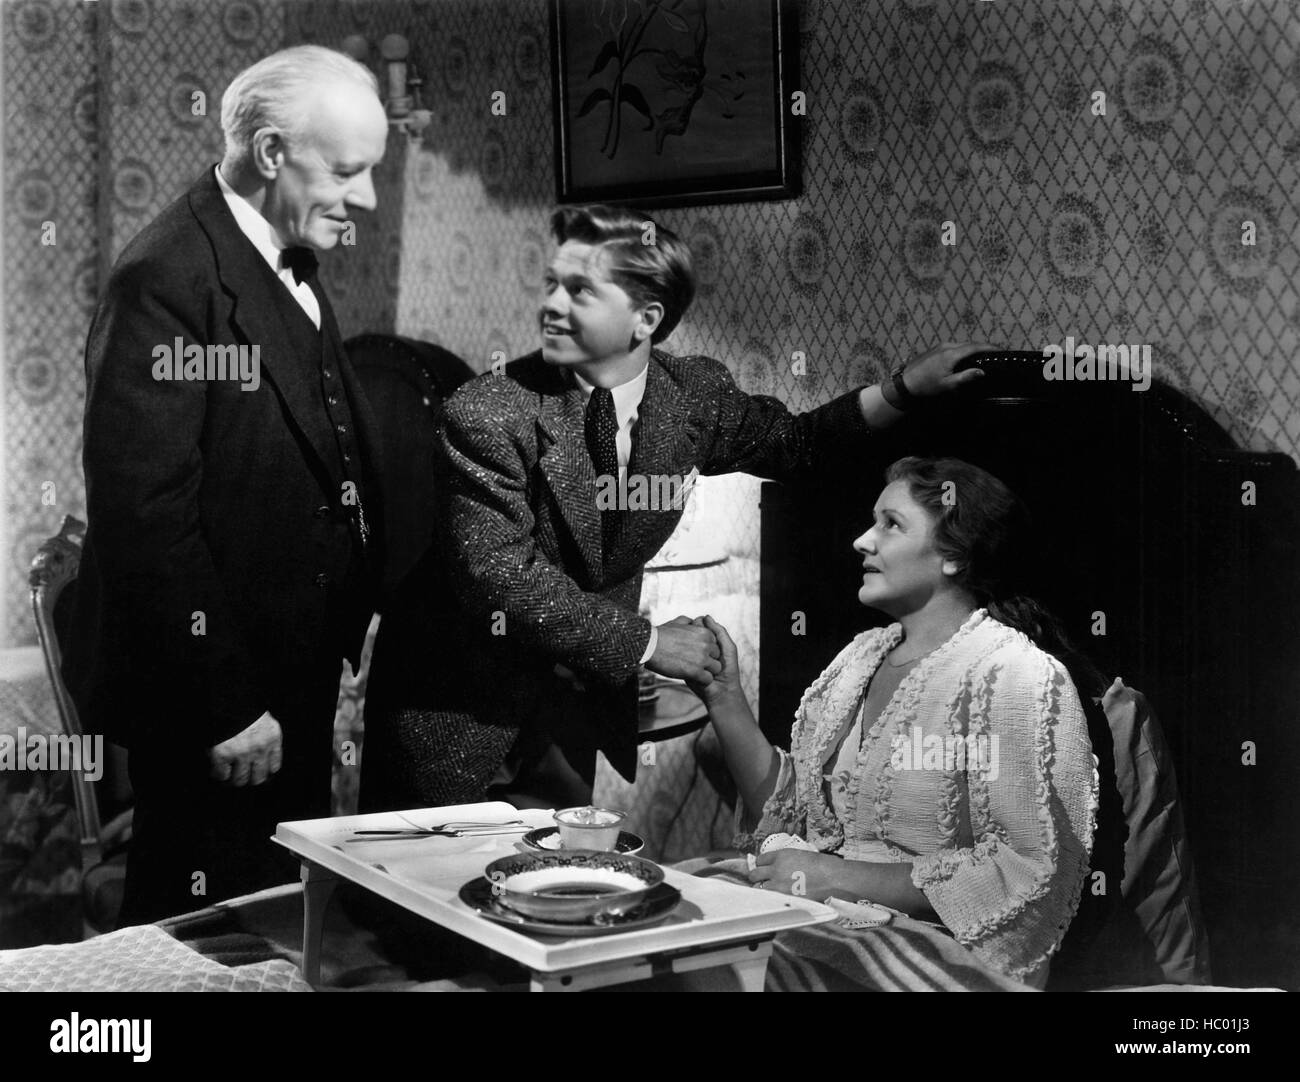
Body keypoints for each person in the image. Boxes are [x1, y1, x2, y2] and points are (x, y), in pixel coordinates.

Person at [360, 204, 993, 812]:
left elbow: (794, 445)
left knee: (556, 898)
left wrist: (905, 388)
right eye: (552, 283)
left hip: (573, 709)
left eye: (579, 291)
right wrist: (648, 643)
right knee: (424, 910)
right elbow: (498, 581)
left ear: (646, 317)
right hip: (456, 705)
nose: (550, 305)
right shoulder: (488, 411)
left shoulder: (691, 395)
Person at [62, 46, 389, 925]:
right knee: (204, 935)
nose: (364, 201)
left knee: (283, 925)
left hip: (294, 677)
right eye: (350, 173)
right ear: (274, 154)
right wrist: (224, 704)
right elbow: (143, 517)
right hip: (221, 696)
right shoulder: (166, 279)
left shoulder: (285, 256)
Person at [685, 456, 1099, 988]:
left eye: (891, 524)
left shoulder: (1015, 677)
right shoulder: (860, 658)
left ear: (953, 554)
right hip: (827, 917)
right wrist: (724, 697)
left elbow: (1025, 869)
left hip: (940, 952)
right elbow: (791, 814)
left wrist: (837, 876)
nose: (862, 540)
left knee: (706, 976)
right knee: (655, 925)